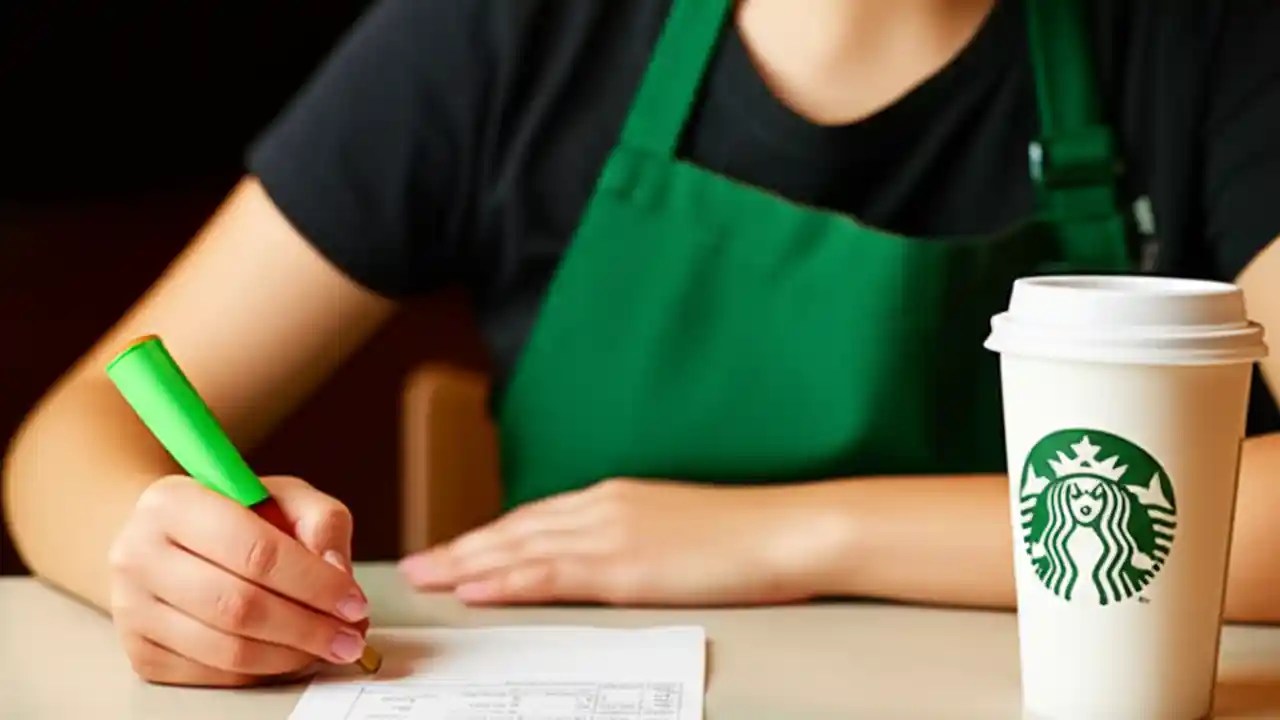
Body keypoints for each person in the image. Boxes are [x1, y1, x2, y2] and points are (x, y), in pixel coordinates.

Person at [5, 0, 1280, 689]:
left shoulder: (1204, 42)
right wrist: (172, 559)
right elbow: (73, 442)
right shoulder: (501, 33)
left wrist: (788, 535)